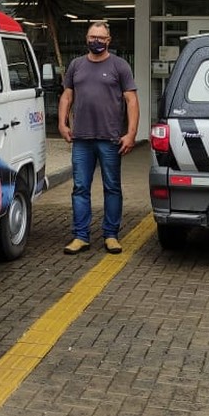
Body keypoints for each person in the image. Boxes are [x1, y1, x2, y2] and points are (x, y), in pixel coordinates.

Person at [58, 21, 138, 255]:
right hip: (81, 138)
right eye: (93, 37)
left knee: (112, 188)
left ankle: (111, 235)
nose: (97, 41)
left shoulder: (119, 66)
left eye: (101, 38)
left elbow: (131, 100)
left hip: (110, 139)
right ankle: (80, 236)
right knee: (80, 188)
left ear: (108, 41)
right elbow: (66, 96)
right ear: (86, 38)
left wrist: (131, 133)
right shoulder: (76, 65)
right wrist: (62, 124)